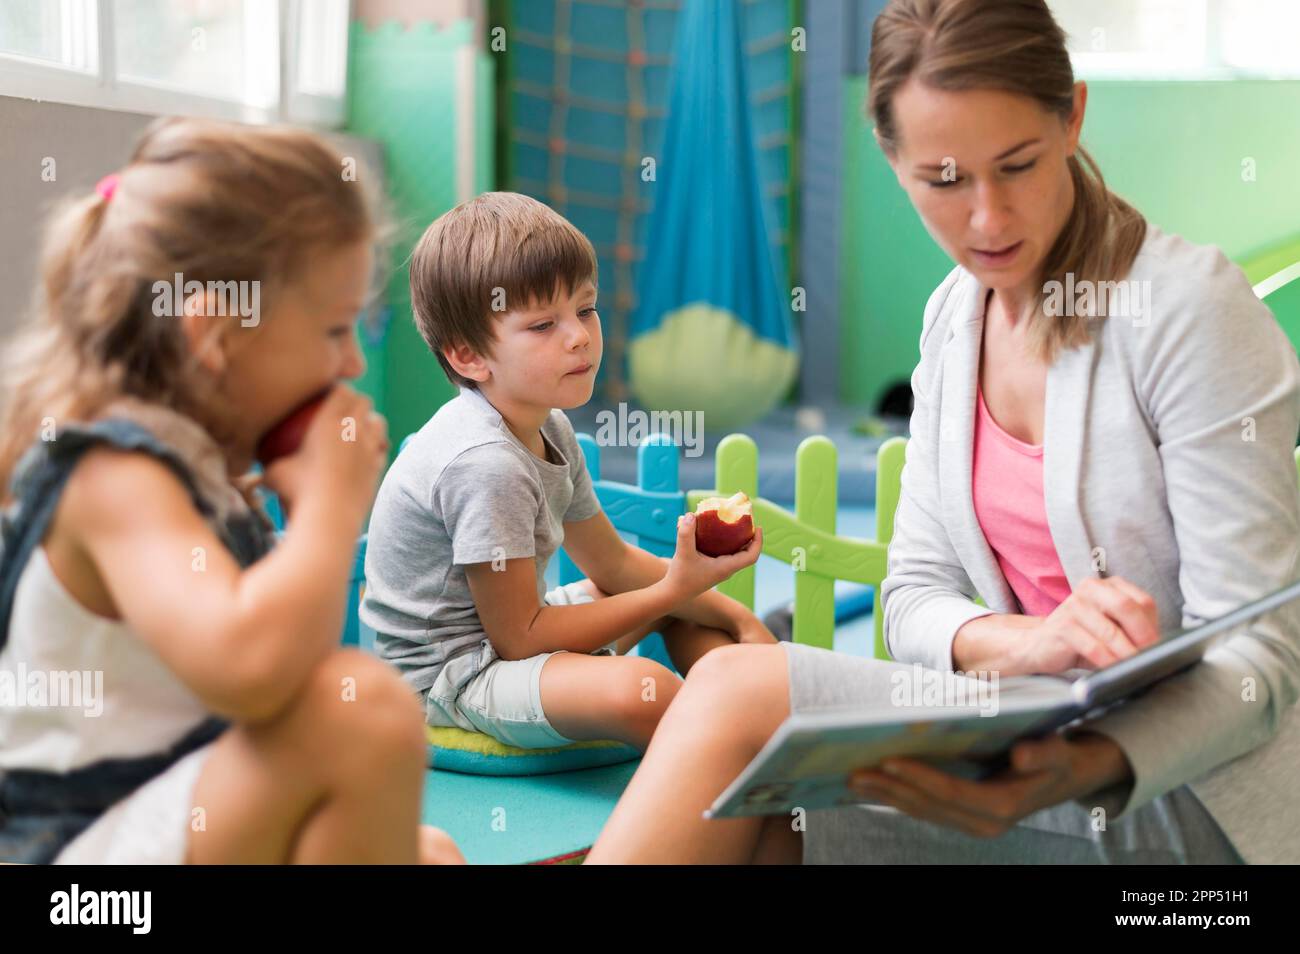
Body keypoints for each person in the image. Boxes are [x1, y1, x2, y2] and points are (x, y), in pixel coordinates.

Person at [586, 0, 1300, 865]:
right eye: (946, 179)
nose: (989, 219)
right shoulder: (953, 322)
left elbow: (1260, 654)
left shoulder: (1188, 311)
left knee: (739, 694)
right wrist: (1028, 643)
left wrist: (1079, 765)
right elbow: (914, 596)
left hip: (1190, 801)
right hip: (1014, 747)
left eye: (1019, 165)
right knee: (765, 809)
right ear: (892, 159)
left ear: (1071, 115)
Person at [0, 118, 462, 864]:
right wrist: (332, 509)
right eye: (336, 329)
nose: (351, 363)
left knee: (430, 851)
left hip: (146, 829)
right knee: (362, 718)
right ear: (215, 332)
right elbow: (250, 671)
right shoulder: (117, 477)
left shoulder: (195, 473)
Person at [361, 191, 773, 754]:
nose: (579, 336)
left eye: (585, 309)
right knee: (644, 688)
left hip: (519, 636)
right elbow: (519, 638)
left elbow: (615, 563)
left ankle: (753, 700)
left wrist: (735, 616)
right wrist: (672, 590)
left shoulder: (549, 427)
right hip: (454, 675)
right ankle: (732, 741)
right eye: (542, 325)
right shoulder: (485, 463)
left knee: (674, 608)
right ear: (468, 357)